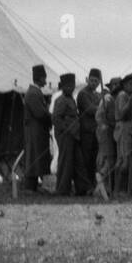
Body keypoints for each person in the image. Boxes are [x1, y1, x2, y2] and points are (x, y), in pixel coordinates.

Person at [53, 73, 91, 196]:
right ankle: (62, 190)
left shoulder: (71, 99)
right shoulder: (61, 100)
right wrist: (66, 130)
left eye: (72, 85)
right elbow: (57, 118)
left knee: (78, 162)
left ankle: (82, 189)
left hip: (75, 135)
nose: (71, 88)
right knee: (66, 162)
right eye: (68, 86)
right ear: (63, 86)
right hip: (66, 136)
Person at [22, 64, 53, 193]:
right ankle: (30, 186)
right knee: (34, 157)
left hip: (38, 130)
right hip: (35, 131)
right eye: (44, 78)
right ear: (39, 78)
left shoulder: (35, 92)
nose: (45, 81)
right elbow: (40, 113)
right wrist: (51, 116)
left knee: (36, 157)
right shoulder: (33, 93)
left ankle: (33, 186)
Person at [76, 69, 103, 189]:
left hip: (95, 132)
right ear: (88, 79)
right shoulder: (83, 94)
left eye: (96, 81)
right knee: (85, 159)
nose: (93, 83)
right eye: (91, 80)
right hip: (86, 131)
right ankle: (84, 185)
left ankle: (92, 184)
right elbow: (90, 109)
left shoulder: (97, 94)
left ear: (99, 82)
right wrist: (102, 108)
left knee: (94, 159)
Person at [114, 73, 132, 196]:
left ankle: (118, 189)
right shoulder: (123, 95)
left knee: (124, 158)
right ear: (124, 85)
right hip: (124, 127)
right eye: (130, 84)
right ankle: (119, 190)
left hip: (127, 127)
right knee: (124, 159)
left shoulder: (126, 95)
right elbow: (123, 113)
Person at [95, 77, 119, 196]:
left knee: (110, 157)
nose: (116, 86)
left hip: (110, 131)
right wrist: (105, 126)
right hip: (106, 132)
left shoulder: (113, 98)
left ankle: (103, 188)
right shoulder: (108, 99)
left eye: (118, 84)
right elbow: (99, 116)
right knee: (108, 158)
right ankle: (102, 176)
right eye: (114, 84)